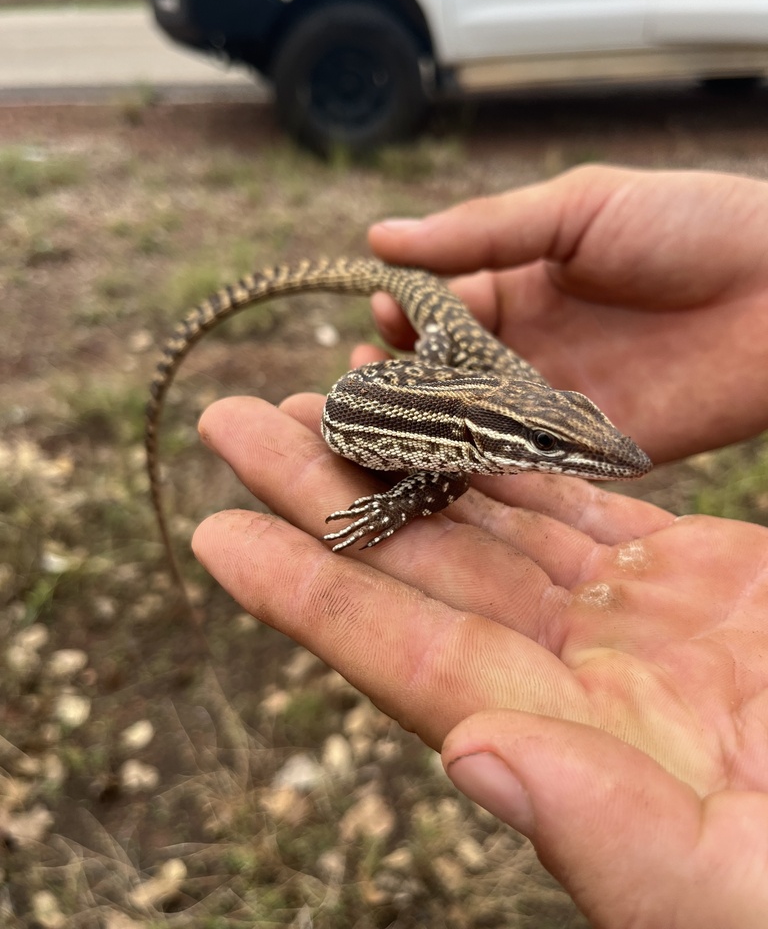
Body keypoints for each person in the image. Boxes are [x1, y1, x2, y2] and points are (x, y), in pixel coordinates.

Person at [192, 165, 768, 929]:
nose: (592, 460)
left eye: (558, 432)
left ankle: (470, 346)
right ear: (478, 439)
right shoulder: (448, 457)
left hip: (449, 396)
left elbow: (465, 462)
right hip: (400, 410)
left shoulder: (462, 446)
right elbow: (441, 478)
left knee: (479, 366)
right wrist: (397, 503)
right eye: (543, 444)